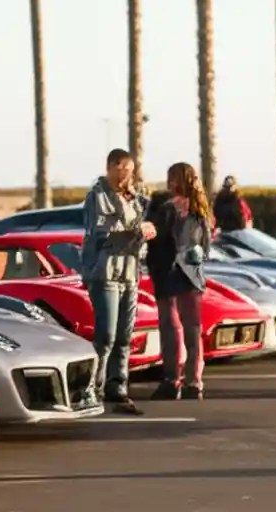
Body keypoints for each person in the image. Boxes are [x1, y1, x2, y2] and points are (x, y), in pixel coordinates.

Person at [80, 149, 156, 415]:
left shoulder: (135, 198)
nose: (125, 176)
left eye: (130, 170)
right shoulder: (97, 196)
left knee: (124, 335)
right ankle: (94, 388)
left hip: (130, 273)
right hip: (105, 273)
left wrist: (145, 234)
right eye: (121, 169)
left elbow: (138, 235)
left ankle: (118, 386)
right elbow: (102, 233)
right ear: (110, 168)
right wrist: (136, 232)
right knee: (106, 336)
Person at [146, 163, 212, 401]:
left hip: (167, 272)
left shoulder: (166, 209)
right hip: (191, 273)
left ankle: (172, 380)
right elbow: (206, 246)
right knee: (193, 329)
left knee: (170, 328)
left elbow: (154, 238)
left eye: (171, 178)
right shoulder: (199, 209)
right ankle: (194, 381)